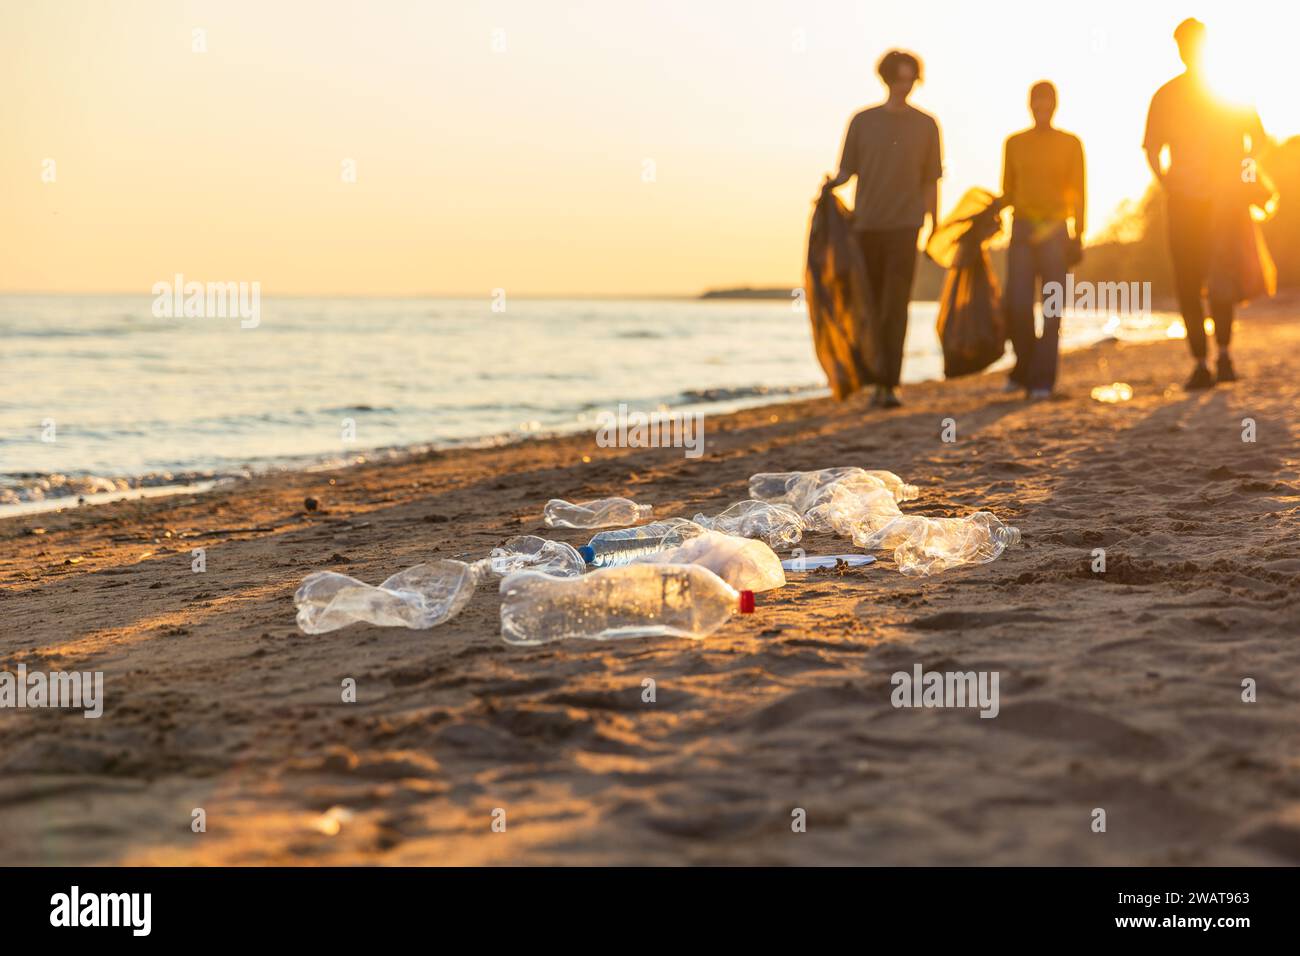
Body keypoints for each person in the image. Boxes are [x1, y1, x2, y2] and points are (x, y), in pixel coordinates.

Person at [1143, 17, 1265, 389]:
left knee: (1220, 278)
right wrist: (1168, 183)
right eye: (1183, 44)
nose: (1188, 50)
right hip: (1184, 203)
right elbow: (1151, 148)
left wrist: (1242, 178)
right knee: (1187, 281)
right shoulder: (1166, 95)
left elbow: (1257, 141)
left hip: (1223, 202)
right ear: (1177, 49)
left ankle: (1224, 356)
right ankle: (1201, 362)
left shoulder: (1229, 92)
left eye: (1193, 43)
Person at [826, 50, 943, 409]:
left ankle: (889, 384)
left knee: (897, 305)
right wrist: (829, 189)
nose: (904, 86)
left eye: (911, 79)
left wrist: (935, 225)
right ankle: (871, 379)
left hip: (906, 227)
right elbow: (846, 172)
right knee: (870, 305)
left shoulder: (926, 125)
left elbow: (931, 180)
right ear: (886, 79)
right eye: (899, 79)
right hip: (866, 226)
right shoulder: (862, 121)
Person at [999, 81, 1086, 400]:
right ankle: (1024, 368)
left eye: (1047, 101)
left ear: (1055, 105)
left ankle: (1042, 381)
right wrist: (990, 211)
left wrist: (1079, 234)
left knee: (1052, 310)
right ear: (1029, 104)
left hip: (1056, 234)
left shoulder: (1070, 143)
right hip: (1021, 230)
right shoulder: (1014, 143)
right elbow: (1008, 190)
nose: (1042, 107)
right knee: (1017, 306)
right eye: (1037, 101)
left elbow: (1078, 190)